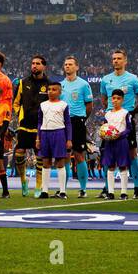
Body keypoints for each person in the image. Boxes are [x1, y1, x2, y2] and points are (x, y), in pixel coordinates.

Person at [99, 50, 138, 195]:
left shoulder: (132, 79)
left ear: (125, 61)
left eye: (119, 59)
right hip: (110, 123)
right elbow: (104, 98)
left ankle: (137, 186)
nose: (116, 61)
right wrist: (110, 112)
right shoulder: (106, 79)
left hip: (126, 120)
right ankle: (107, 188)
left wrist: (132, 113)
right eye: (114, 59)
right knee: (107, 155)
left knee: (131, 154)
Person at [60, 55, 95, 197]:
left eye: (70, 64)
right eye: (66, 64)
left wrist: (82, 119)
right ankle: (63, 189)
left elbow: (89, 105)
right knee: (65, 155)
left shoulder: (83, 84)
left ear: (77, 67)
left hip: (77, 121)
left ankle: (83, 189)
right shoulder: (60, 85)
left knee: (79, 155)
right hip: (62, 123)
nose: (67, 66)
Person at [35, 80, 72, 199]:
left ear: (60, 92)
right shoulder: (43, 105)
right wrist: (38, 138)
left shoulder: (64, 105)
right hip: (45, 134)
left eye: (54, 90)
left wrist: (69, 139)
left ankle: (62, 191)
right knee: (45, 162)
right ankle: (44, 191)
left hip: (59, 133)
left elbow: (68, 123)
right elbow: (40, 122)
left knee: (60, 162)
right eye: (49, 89)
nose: (51, 92)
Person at [100, 89, 135, 199]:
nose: (115, 100)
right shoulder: (107, 114)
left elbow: (129, 128)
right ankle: (110, 192)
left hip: (121, 142)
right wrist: (102, 134)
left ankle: (123, 192)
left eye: (118, 98)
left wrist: (120, 134)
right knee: (110, 166)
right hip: (109, 143)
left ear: (122, 100)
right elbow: (104, 128)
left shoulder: (125, 113)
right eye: (113, 98)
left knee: (122, 166)